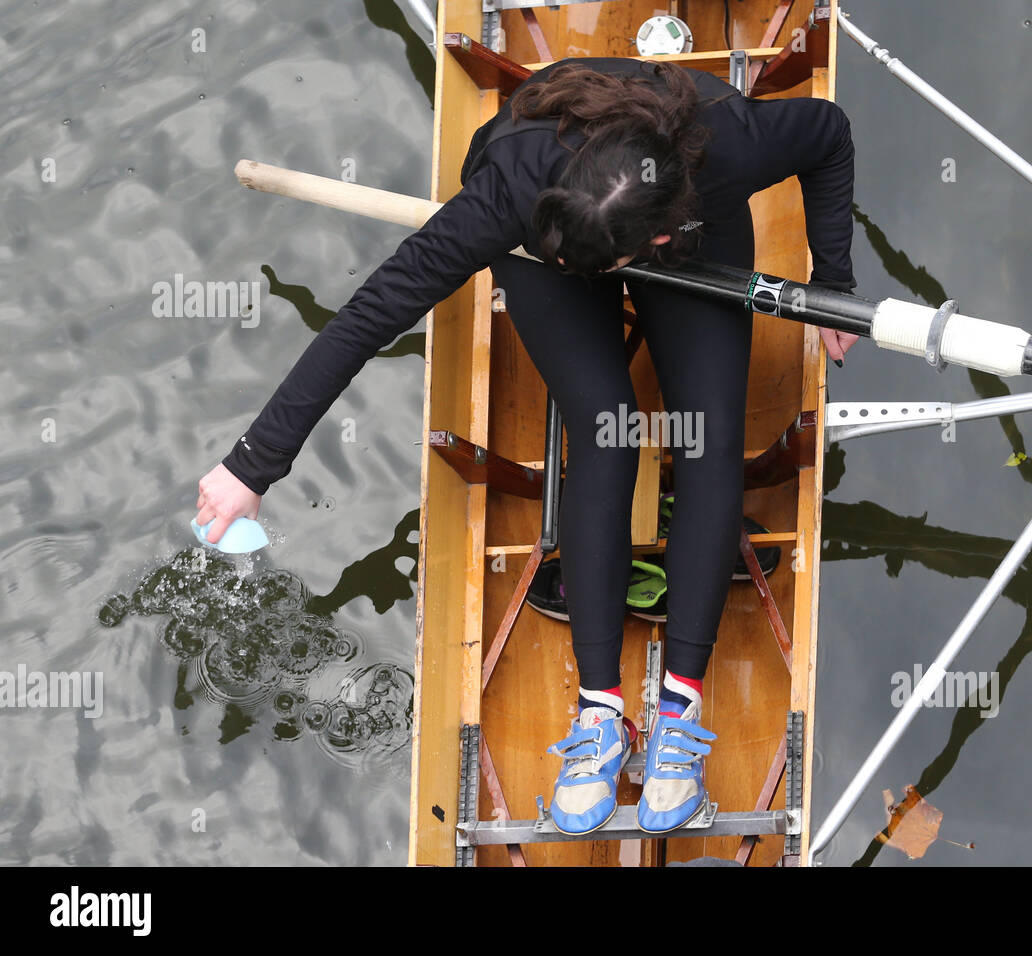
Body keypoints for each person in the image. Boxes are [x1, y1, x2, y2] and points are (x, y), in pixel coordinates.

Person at [194, 57, 858, 835]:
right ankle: (600, 712)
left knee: (708, 438)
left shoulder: (731, 141)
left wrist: (834, 284)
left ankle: (680, 710)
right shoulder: (508, 191)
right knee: (606, 431)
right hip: (545, 236)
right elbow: (373, 312)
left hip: (689, 226)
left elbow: (830, 136)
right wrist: (252, 465)